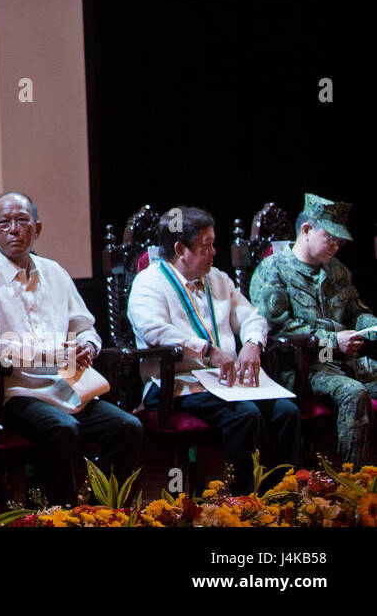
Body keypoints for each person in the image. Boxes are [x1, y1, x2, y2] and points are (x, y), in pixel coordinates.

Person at [0, 192, 143, 506]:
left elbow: (84, 324)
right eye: (4, 223)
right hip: (15, 392)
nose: (14, 229)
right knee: (63, 429)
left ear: (37, 229)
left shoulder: (54, 272)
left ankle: (102, 511)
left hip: (67, 385)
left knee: (128, 428)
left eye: (22, 221)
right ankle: (62, 515)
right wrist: (47, 356)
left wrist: (87, 345)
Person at [129, 205, 299, 493]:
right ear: (181, 249)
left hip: (226, 382)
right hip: (178, 385)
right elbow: (154, 330)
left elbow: (251, 317)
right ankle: (244, 502)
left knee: (286, 411)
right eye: (206, 246)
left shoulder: (218, 279)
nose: (214, 252)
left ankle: (282, 498)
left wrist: (252, 343)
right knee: (245, 415)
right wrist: (207, 350)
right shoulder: (149, 283)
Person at [250, 194, 376, 466]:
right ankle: (350, 486)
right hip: (299, 365)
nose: (336, 245)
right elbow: (276, 329)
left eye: (339, 240)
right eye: (330, 237)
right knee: (354, 393)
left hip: (342, 361)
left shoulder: (338, 271)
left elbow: (356, 311)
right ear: (306, 230)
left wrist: (371, 327)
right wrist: (332, 341)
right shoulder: (274, 269)